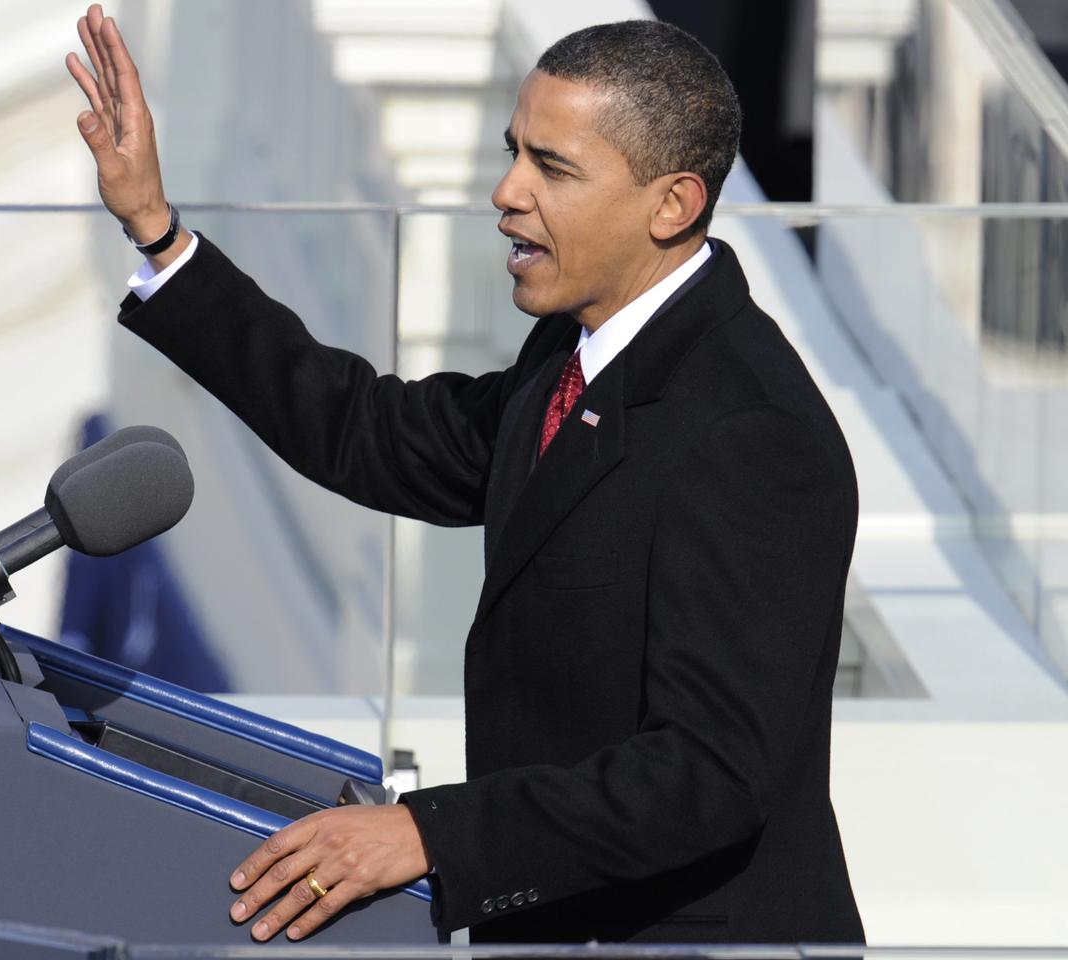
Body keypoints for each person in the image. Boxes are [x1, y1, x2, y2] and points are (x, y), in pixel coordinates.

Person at [66, 6, 864, 945]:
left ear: (672, 205)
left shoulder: (754, 435)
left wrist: (428, 834)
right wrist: (160, 234)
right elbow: (367, 432)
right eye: (513, 152)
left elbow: (708, 775)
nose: (506, 191)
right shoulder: (569, 357)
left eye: (552, 168)